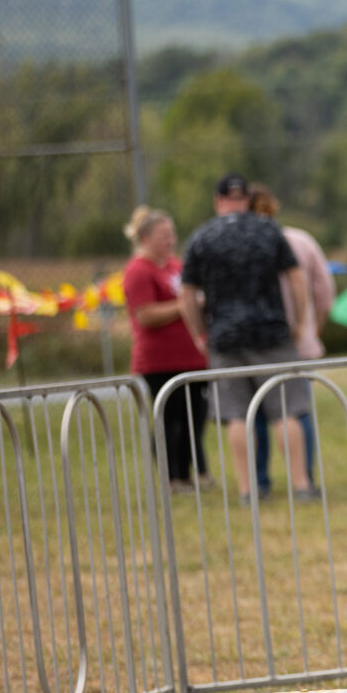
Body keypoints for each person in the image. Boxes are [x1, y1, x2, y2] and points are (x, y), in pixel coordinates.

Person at [179, 173, 318, 503]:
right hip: (271, 332)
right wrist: (299, 321)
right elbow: (297, 280)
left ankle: (248, 490)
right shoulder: (268, 229)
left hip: (225, 336)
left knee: (236, 416)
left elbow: (187, 294)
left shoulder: (202, 238)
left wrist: (200, 332)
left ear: (217, 202)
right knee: (286, 410)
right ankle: (302, 485)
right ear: (246, 199)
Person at [247, 183, 333, 488]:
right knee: (296, 410)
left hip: (252, 342)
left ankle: (258, 481)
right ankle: (304, 476)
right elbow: (324, 292)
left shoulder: (239, 243)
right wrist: (311, 326)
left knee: (254, 412)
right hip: (298, 340)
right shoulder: (300, 240)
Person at [121, 206, 211, 493]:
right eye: (163, 235)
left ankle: (191, 474)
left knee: (194, 417)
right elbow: (145, 315)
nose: (170, 240)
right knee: (170, 419)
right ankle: (171, 477)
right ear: (145, 238)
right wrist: (183, 305)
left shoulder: (176, 266)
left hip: (192, 356)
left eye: (172, 234)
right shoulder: (138, 271)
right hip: (160, 360)